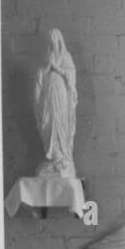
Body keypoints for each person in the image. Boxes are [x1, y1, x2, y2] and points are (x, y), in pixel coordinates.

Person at [34, 28, 78, 178]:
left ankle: (61, 156)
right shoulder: (48, 56)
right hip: (49, 95)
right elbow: (40, 74)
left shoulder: (65, 56)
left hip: (60, 93)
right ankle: (52, 156)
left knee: (60, 121)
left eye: (54, 37)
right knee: (49, 120)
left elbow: (70, 75)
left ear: (59, 39)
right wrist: (47, 67)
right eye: (50, 38)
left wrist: (56, 68)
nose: (52, 40)